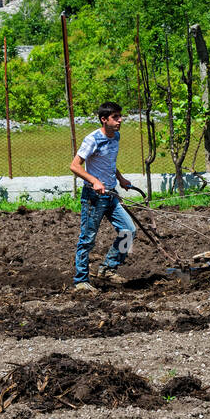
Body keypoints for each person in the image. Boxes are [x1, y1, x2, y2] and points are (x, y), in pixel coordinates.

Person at [70, 101, 137, 292]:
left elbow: (108, 162)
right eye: (115, 117)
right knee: (87, 238)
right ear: (104, 119)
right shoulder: (92, 139)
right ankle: (81, 281)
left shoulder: (116, 136)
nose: (120, 120)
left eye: (120, 116)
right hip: (94, 196)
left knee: (129, 231)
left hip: (111, 194)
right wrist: (94, 181)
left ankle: (108, 268)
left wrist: (121, 179)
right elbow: (74, 166)